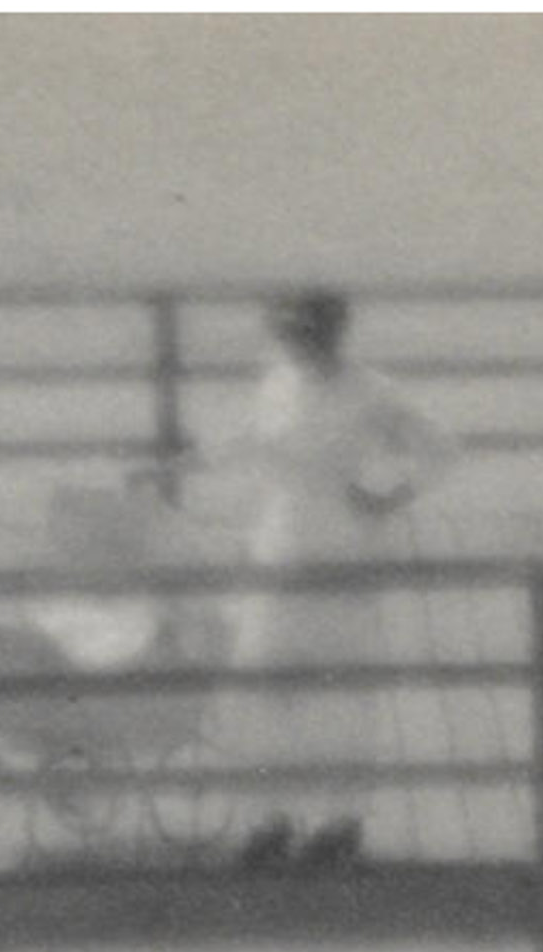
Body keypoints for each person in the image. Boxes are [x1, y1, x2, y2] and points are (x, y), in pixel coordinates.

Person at [192, 289, 455, 866]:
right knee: (259, 682)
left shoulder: (373, 392)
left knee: (340, 690)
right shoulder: (279, 381)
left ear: (335, 333)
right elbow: (247, 436)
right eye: (290, 334)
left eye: (311, 334)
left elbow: (438, 449)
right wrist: (189, 464)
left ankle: (340, 821)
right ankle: (269, 819)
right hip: (279, 543)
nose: (300, 345)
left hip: (342, 543)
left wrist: (387, 496)